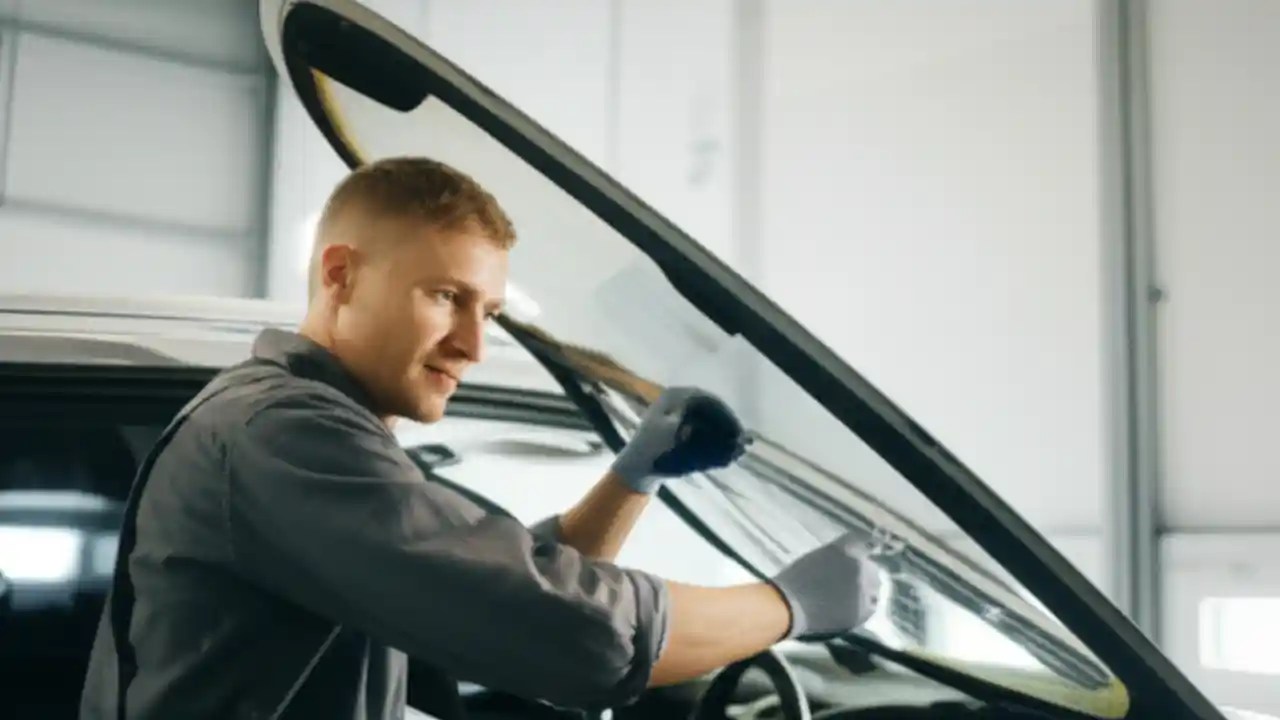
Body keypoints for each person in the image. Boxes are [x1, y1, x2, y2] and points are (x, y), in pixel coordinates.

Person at [78, 157, 883, 720]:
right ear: (340, 275)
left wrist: (634, 478)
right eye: (445, 297)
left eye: (488, 313)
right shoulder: (283, 434)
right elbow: (567, 634)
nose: (472, 344)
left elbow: (478, 592)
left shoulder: (306, 424)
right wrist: (789, 607)